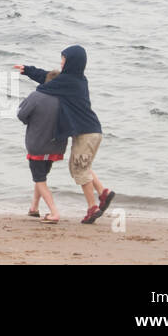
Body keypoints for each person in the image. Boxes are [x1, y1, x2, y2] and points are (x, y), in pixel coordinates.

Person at [16, 45, 115, 224]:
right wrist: (28, 71)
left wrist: (34, 94)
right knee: (81, 164)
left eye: (63, 59)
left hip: (86, 133)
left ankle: (93, 207)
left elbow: (46, 85)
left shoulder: (68, 82)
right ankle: (103, 193)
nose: (61, 62)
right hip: (92, 131)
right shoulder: (79, 79)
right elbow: (48, 78)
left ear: (72, 62)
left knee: (79, 169)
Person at [16, 69, 68, 222]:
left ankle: (54, 212)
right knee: (42, 176)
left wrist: (29, 120)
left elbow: (21, 114)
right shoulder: (65, 99)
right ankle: (34, 208)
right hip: (56, 146)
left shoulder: (36, 96)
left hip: (38, 144)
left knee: (39, 179)